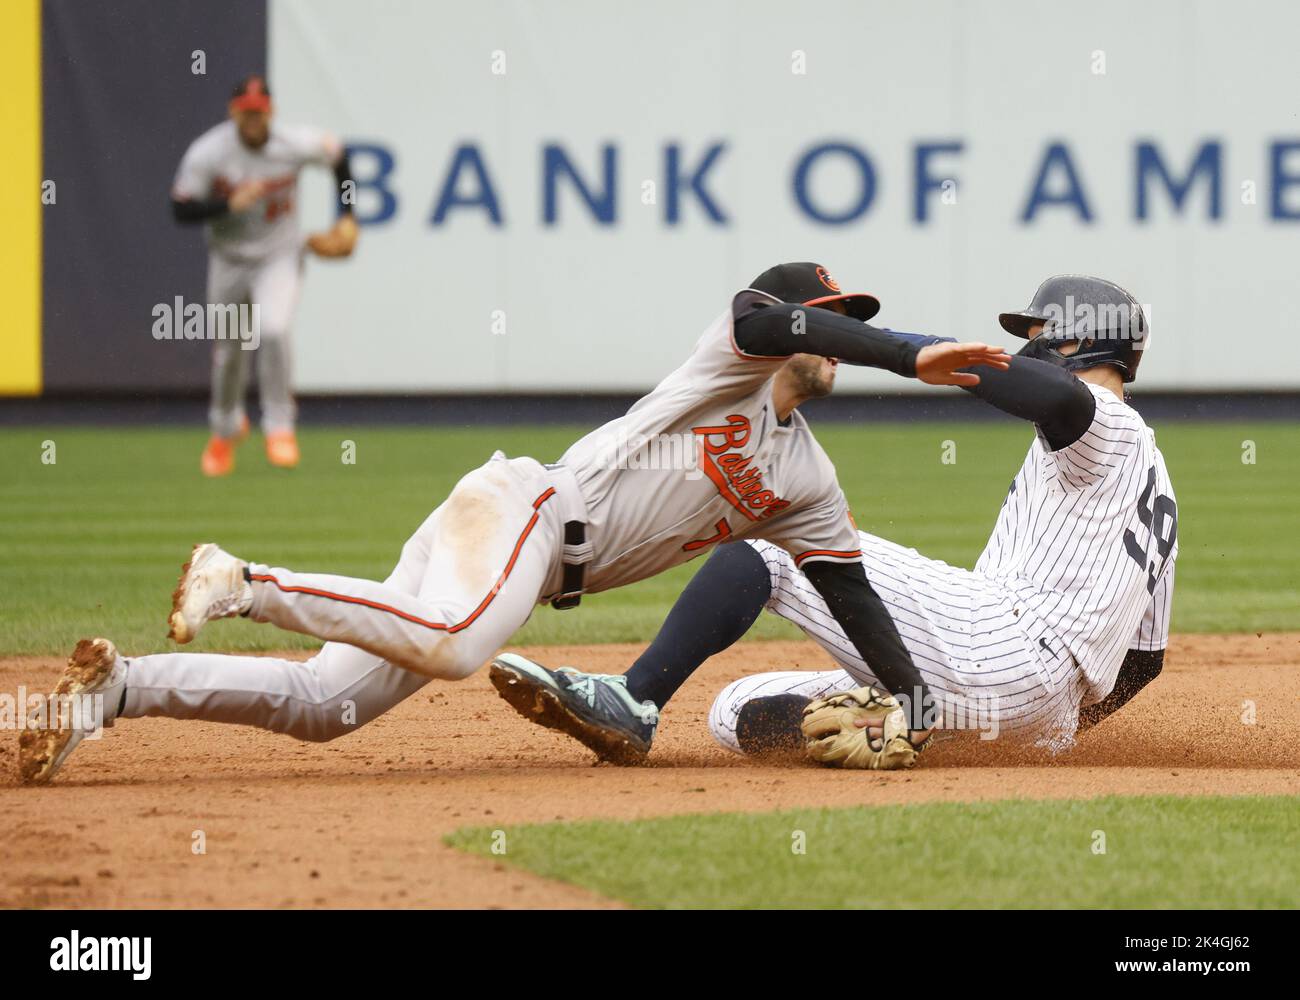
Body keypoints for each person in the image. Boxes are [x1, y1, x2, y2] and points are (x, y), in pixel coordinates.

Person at [18, 263, 1009, 784]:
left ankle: (114, 691)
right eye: (830, 317)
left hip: (517, 561)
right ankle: (244, 579)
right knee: (455, 647)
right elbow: (768, 318)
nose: (833, 337)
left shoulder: (806, 480)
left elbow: (850, 592)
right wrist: (904, 347)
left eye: (846, 321)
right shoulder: (733, 357)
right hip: (531, 508)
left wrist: (918, 708)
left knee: (327, 706)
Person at [498, 275, 1177, 766]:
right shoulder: (1157, 489)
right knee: (733, 713)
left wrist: (934, 358)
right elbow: (1143, 663)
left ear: (1077, 339)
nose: (1024, 350)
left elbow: (1060, 395)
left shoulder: (1105, 423)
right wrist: (1038, 736)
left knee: (770, 542)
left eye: (1033, 336)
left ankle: (632, 701)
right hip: (1028, 708)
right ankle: (887, 728)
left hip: (1004, 648)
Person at [171, 74, 359, 476]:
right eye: (246, 113)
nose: (253, 120)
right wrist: (225, 204)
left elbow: (339, 156)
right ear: (233, 112)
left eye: (259, 112)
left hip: (279, 255)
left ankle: (279, 426)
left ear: (270, 112)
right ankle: (224, 431)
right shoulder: (209, 152)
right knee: (228, 354)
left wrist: (347, 215)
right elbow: (180, 208)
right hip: (229, 260)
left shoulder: (292, 144)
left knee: (272, 329)